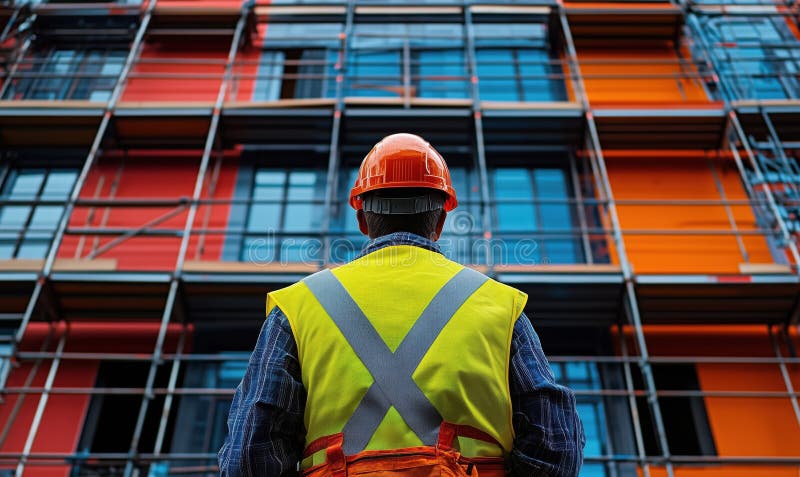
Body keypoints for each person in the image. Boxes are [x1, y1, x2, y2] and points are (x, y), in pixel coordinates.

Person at [219, 133, 584, 477]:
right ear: (441, 218)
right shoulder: (500, 306)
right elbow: (555, 446)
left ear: (361, 217)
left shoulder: (299, 307)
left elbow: (249, 457)